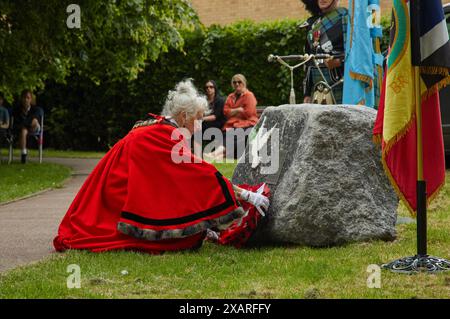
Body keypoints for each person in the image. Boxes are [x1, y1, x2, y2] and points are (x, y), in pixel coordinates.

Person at [53, 79, 270, 254]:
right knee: (176, 242)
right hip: (119, 193)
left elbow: (182, 181)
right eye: (198, 119)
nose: (200, 124)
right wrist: (246, 196)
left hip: (121, 187)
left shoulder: (163, 127)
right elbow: (203, 174)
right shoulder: (165, 135)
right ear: (184, 116)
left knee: (187, 232)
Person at [301, 0, 348, 104]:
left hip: (340, 83)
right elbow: (308, 60)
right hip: (316, 86)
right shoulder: (312, 23)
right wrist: (307, 93)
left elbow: (356, 54)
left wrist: (339, 61)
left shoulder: (346, 18)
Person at [205, 74, 258, 160]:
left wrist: (233, 111)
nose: (237, 84)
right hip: (233, 125)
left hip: (248, 124)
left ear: (244, 83)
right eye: (234, 82)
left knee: (235, 133)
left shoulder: (249, 95)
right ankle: (218, 155)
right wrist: (239, 110)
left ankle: (216, 153)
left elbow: (249, 113)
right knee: (228, 133)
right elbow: (226, 112)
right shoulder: (231, 96)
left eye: (239, 82)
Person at [13, 89, 43, 163]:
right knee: (23, 131)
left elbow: (37, 117)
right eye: (24, 97)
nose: (26, 100)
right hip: (23, 129)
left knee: (34, 121)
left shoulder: (36, 109)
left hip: (34, 128)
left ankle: (23, 151)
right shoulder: (17, 110)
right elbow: (16, 123)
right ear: (21, 99)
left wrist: (25, 123)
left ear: (31, 99)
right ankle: (24, 154)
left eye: (28, 98)